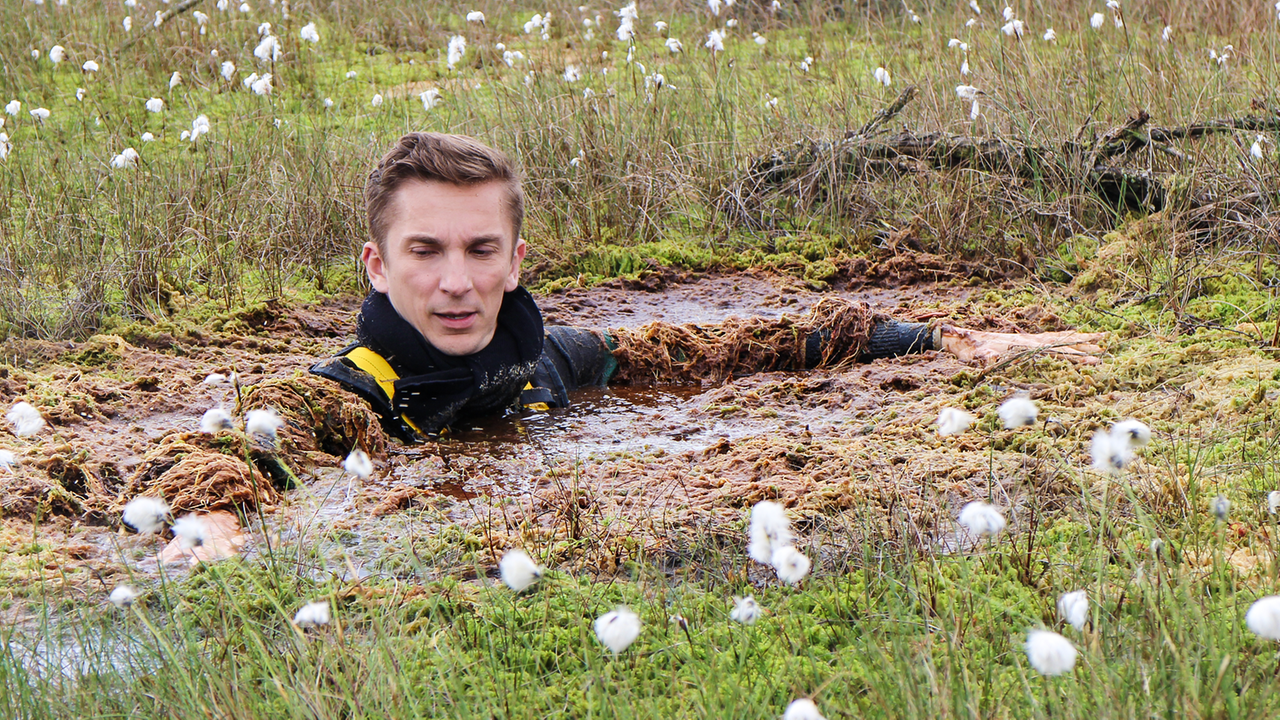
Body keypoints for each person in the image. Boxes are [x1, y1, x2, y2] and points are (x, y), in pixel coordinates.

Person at [312, 132, 1103, 442]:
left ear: (515, 263)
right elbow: (224, 455)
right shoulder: (346, 394)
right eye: (425, 251)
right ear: (377, 269)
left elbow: (729, 348)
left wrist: (944, 342)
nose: (457, 282)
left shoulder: (547, 360)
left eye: (480, 250)